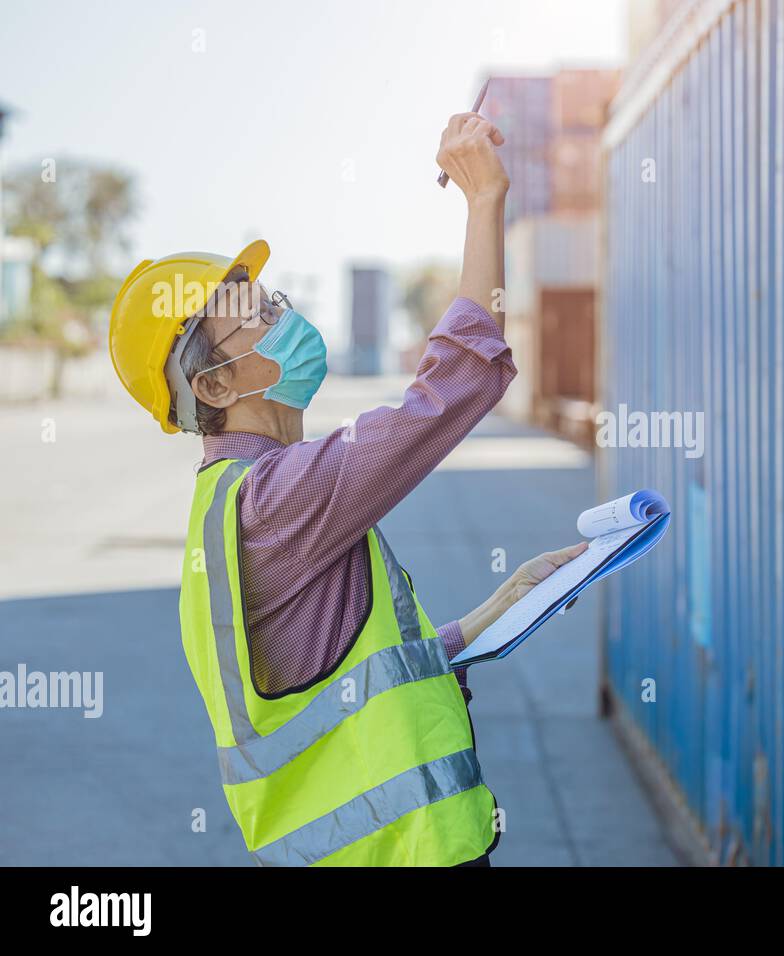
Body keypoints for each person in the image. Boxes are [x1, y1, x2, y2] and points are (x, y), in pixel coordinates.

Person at [106, 111, 586, 867]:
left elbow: (340, 686)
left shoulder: (231, 505)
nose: (283, 316)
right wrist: (485, 201)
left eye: (273, 299)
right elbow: (458, 385)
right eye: (255, 316)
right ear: (217, 382)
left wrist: (482, 622)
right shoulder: (274, 499)